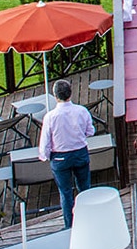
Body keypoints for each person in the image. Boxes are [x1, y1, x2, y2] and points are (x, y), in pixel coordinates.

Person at [37, 78, 95, 229]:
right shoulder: (82, 111)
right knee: (84, 189)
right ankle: (88, 221)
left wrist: (45, 156)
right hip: (80, 153)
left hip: (60, 157)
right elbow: (90, 131)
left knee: (65, 193)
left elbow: (45, 142)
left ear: (55, 96)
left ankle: (69, 226)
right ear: (70, 93)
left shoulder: (50, 117)